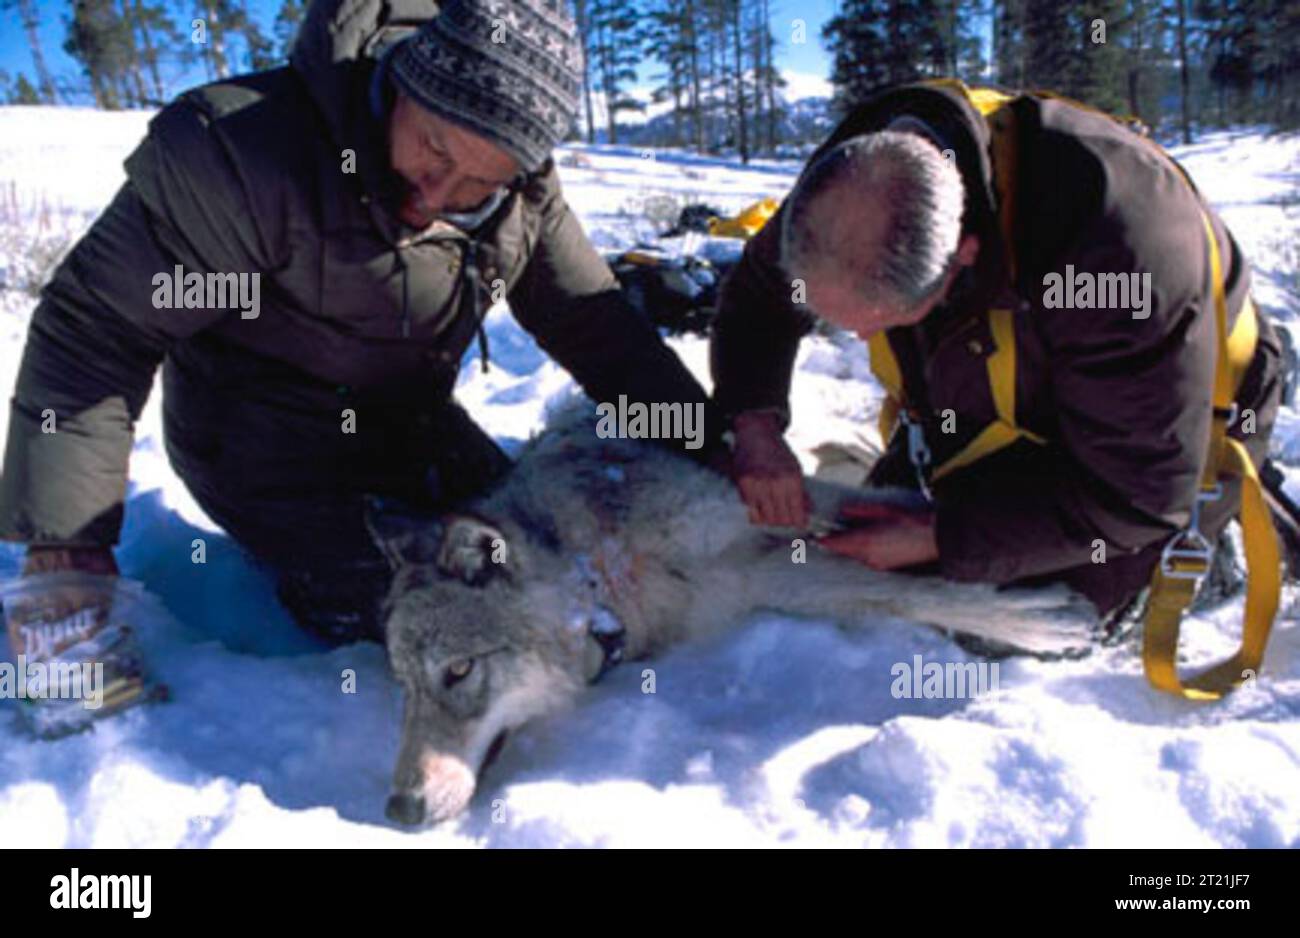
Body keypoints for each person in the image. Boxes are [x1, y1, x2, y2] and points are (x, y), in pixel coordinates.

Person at [0, 0, 717, 723]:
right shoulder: (246, 157)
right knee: (432, 603)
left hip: (408, 422)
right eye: (433, 149)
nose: (436, 196)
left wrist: (722, 453)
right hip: (259, 439)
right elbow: (97, 329)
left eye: (476, 186)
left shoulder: (521, 192)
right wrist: (64, 547)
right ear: (405, 83)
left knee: (535, 558)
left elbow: (597, 328)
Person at [712, 80, 1284, 641]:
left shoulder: (1112, 258)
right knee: (855, 565)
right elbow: (761, 293)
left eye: (878, 320)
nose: (858, 337)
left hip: (1159, 429)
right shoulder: (850, 186)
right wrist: (754, 421)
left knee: (1014, 623)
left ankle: (1205, 550)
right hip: (1004, 378)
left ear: (964, 254)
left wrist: (940, 535)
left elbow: (1138, 494)